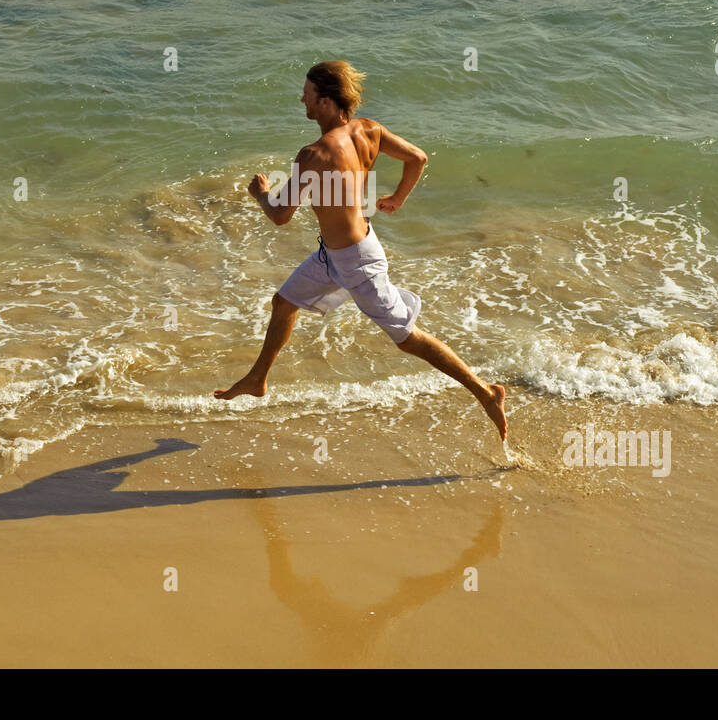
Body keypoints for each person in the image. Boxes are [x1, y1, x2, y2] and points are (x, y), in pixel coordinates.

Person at [214, 60, 507, 442]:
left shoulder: (313, 155)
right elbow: (417, 158)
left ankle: (485, 392)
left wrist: (261, 194)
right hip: (337, 254)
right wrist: (398, 198)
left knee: (407, 338)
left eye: (307, 93)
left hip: (357, 264)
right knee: (284, 303)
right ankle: (257, 378)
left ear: (324, 100)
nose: (301, 98)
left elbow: (281, 216)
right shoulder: (368, 130)